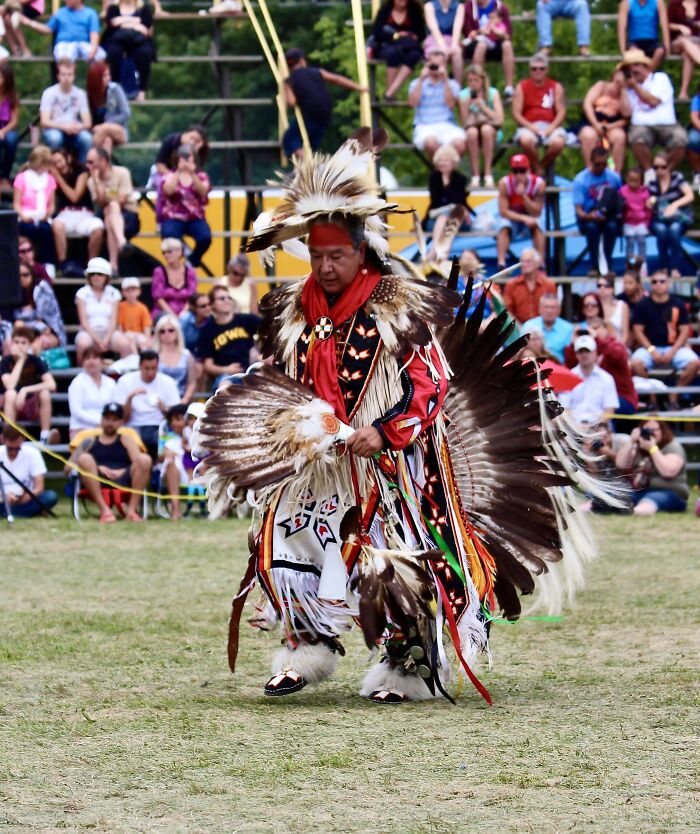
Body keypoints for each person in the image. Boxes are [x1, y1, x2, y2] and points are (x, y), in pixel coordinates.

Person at [198, 136, 602, 703]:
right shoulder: (296, 308)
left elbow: (432, 383)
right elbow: (283, 371)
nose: (324, 266)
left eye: (335, 256)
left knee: (392, 559)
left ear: (360, 252)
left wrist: (383, 430)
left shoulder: (395, 305)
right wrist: (282, 420)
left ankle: (406, 666)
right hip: (318, 457)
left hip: (391, 462)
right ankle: (301, 650)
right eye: (316, 256)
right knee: (282, 540)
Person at [71, 401, 152, 522]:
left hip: (123, 479)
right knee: (84, 458)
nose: (110, 423)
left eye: (114, 420)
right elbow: (68, 468)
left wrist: (119, 472)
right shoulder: (89, 440)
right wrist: (97, 468)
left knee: (145, 459)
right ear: (101, 420)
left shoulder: (126, 439)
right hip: (98, 479)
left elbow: (139, 464)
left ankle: (131, 511)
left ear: (121, 422)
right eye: (107, 418)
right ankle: (105, 511)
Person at [282, 48, 367, 160]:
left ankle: (308, 164)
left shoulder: (290, 80)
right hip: (326, 112)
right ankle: (301, 168)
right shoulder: (316, 71)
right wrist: (359, 88)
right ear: (302, 61)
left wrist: (287, 92)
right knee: (311, 144)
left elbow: (292, 102)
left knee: (289, 140)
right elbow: (336, 79)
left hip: (310, 112)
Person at [631, 272, 699, 401]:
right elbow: (637, 331)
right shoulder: (642, 305)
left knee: (694, 363)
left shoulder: (678, 304)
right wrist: (652, 350)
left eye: (662, 281)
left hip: (673, 348)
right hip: (649, 348)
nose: (658, 284)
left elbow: (684, 331)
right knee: (635, 363)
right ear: (650, 285)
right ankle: (652, 398)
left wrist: (672, 352)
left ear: (668, 283)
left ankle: (674, 396)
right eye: (654, 282)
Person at [619, 48, 688, 175]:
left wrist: (636, 88)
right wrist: (623, 89)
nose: (633, 70)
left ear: (645, 65)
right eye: (629, 68)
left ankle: (665, 172)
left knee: (681, 138)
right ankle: (649, 172)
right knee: (636, 138)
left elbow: (654, 101)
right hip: (641, 126)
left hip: (668, 125)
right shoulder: (628, 88)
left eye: (636, 65)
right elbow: (625, 113)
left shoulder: (660, 78)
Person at [113, 349, 180, 458]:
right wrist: (130, 398)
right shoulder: (125, 381)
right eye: (147, 368)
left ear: (158, 367)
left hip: (159, 425)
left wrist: (164, 410)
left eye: (154, 369)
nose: (150, 373)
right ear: (140, 366)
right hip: (133, 426)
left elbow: (176, 417)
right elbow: (123, 418)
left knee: (165, 436)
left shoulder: (168, 382)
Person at [86, 146, 140, 273]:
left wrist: (108, 199)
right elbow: (100, 203)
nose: (89, 166)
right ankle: (121, 245)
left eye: (91, 162)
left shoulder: (122, 173)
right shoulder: (91, 181)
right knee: (109, 212)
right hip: (107, 215)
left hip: (128, 215)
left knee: (112, 208)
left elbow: (121, 200)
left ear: (103, 161)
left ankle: (114, 264)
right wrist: (97, 182)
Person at [615, 419, 688, 514]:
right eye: (646, 430)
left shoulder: (672, 446)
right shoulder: (639, 447)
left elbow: (668, 472)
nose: (650, 433)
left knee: (652, 499)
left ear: (662, 431)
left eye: (654, 430)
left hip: (670, 492)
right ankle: (594, 508)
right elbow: (621, 464)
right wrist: (631, 441)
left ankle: (636, 511)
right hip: (641, 491)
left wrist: (652, 448)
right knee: (616, 495)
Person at [195, 285, 260, 390]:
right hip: (226, 376)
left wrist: (262, 355)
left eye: (229, 297)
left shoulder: (246, 320)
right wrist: (227, 369)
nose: (227, 300)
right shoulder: (207, 330)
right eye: (222, 298)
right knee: (225, 387)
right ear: (212, 305)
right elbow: (208, 365)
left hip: (251, 370)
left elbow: (270, 329)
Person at [50, 147, 104, 272]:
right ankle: (63, 264)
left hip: (84, 214)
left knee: (98, 228)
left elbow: (75, 196)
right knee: (56, 225)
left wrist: (58, 178)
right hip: (65, 214)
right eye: (54, 163)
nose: (58, 165)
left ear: (67, 159)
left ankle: (92, 265)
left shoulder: (81, 171)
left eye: (59, 161)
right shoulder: (51, 177)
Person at [572, 146, 623, 279]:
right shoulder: (581, 180)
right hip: (588, 216)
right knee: (592, 229)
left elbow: (620, 197)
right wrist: (591, 216)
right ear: (591, 161)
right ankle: (594, 266)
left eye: (603, 164)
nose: (600, 167)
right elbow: (579, 211)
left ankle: (608, 264)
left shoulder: (613, 177)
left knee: (612, 227)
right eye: (597, 164)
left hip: (608, 215)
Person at [0, 326, 57, 443]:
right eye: (16, 342)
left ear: (29, 345)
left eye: (23, 343)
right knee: (10, 394)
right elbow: (10, 385)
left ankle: (45, 436)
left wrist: (26, 389)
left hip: (30, 405)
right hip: (10, 405)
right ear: (11, 343)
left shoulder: (36, 360)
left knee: (45, 393)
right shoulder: (5, 362)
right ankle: (8, 435)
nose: (19, 346)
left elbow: (52, 384)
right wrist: (20, 361)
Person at [511, 54, 567, 175]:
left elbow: (561, 111)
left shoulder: (555, 86)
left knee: (558, 143)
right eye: (534, 68)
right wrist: (531, 127)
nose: (538, 71)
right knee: (526, 141)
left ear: (547, 70)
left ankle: (541, 166)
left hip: (551, 125)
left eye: (541, 68)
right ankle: (537, 167)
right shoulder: (522, 86)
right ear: (530, 70)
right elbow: (516, 113)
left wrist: (551, 128)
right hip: (529, 126)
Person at [407, 50, 466, 160]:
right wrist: (421, 78)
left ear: (444, 65)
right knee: (431, 144)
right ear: (427, 64)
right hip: (424, 125)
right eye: (433, 65)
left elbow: (451, 104)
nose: (436, 68)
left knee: (460, 145)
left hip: (447, 124)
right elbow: (412, 103)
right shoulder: (416, 83)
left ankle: (448, 174)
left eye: (439, 65)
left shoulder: (452, 84)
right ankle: (440, 173)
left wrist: (445, 80)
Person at [159, 144, 211, 267]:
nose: (186, 159)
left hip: (195, 218)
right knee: (169, 235)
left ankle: (193, 259)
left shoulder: (201, 175)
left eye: (189, 156)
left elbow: (203, 191)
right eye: (183, 156)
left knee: (205, 237)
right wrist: (178, 171)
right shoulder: (169, 175)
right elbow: (168, 190)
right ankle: (179, 260)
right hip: (174, 217)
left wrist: (192, 173)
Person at [647, 151, 694, 274]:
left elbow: (690, 195)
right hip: (659, 218)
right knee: (661, 231)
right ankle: (663, 267)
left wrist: (674, 205)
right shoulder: (651, 182)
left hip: (678, 217)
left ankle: (675, 268)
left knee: (674, 230)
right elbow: (646, 202)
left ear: (669, 166)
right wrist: (649, 202)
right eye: (656, 167)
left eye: (663, 167)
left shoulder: (677, 178)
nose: (660, 170)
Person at [495, 153, 545, 268]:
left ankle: (540, 262)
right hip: (513, 218)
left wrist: (524, 196)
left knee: (539, 224)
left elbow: (537, 212)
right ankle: (501, 262)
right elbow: (503, 211)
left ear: (528, 170)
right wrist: (524, 218)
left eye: (522, 171)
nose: (518, 175)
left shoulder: (539, 184)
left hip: (531, 217)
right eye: (515, 171)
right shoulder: (504, 184)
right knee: (503, 225)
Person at [74, 257, 128, 363]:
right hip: (88, 332)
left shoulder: (114, 293)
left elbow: (113, 320)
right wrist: (97, 340)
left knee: (125, 344)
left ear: (106, 277)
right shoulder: (82, 293)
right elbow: (84, 322)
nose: (95, 277)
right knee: (82, 343)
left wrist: (107, 339)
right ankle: (81, 374)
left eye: (99, 274)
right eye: (92, 274)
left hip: (109, 332)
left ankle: (123, 376)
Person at [39, 58, 93, 164]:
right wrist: (64, 126)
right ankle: (54, 169)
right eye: (63, 74)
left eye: (69, 74)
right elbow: (44, 121)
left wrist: (77, 127)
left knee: (87, 139)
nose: (66, 78)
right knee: (55, 138)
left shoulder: (80, 94)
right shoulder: (49, 93)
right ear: (58, 76)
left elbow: (88, 123)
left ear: (74, 76)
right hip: (54, 129)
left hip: (74, 130)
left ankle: (81, 170)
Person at [458, 63, 503, 187]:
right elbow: (465, 123)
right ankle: (475, 175)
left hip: (490, 130)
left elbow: (499, 119)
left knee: (486, 130)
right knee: (472, 133)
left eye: (476, 80)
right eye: (470, 80)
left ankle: (488, 174)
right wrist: (466, 106)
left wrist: (483, 107)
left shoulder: (493, 93)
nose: (473, 83)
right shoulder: (463, 95)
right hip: (471, 130)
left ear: (482, 80)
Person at [370, 0, 426, 100]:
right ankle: (390, 92)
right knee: (392, 54)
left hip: (409, 46)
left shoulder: (414, 11)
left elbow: (421, 34)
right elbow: (377, 32)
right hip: (387, 45)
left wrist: (410, 36)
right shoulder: (385, 10)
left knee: (414, 55)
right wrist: (396, 36)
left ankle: (390, 92)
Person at [578, 69, 631, 173]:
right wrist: (596, 124)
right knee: (588, 135)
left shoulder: (627, 94)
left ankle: (615, 175)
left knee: (619, 137)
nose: (621, 78)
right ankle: (590, 171)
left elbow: (626, 116)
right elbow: (587, 104)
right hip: (593, 120)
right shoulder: (601, 85)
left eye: (625, 76)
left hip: (613, 124)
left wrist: (623, 90)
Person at [559, 335, 619, 425]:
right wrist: (576, 427)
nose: (584, 355)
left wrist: (594, 427)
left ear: (595, 353)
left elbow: (610, 409)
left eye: (587, 351)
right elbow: (564, 409)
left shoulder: (607, 378)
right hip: (574, 428)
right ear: (576, 354)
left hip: (600, 428)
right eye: (580, 352)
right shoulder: (567, 378)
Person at [0, 422, 58, 518]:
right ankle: (22, 513)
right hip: (3, 499)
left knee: (51, 496)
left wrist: (23, 498)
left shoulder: (33, 453)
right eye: (10, 449)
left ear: (23, 440)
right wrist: (4, 497)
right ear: (3, 439)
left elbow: (39, 487)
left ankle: (9, 513)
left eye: (17, 449)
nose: (14, 452)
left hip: (26, 497)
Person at [102, 0, 155, 102]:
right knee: (114, 53)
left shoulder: (144, 8)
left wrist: (122, 21)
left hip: (138, 41)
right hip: (118, 40)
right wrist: (136, 22)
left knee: (145, 53)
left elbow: (146, 26)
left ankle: (141, 91)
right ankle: (115, 88)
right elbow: (111, 22)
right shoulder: (113, 8)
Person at [423, 144, 470, 260]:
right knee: (443, 219)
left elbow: (457, 201)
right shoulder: (434, 178)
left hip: (458, 219)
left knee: (446, 219)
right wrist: (443, 181)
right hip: (435, 220)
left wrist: (446, 183)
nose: (443, 163)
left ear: (453, 162)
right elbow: (436, 201)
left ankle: (432, 255)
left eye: (446, 160)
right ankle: (441, 256)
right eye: (440, 160)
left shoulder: (460, 179)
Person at [12, 145, 57, 265]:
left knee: (45, 230)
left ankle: (48, 264)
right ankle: (26, 262)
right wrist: (24, 216)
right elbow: (16, 204)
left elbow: (51, 206)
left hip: (42, 217)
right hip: (25, 216)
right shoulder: (21, 178)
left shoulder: (50, 179)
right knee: (28, 229)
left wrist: (47, 215)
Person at [462, 0, 515, 99]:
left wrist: (497, 32)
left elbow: (508, 35)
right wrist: (478, 32)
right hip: (477, 43)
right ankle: (477, 88)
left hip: (497, 43)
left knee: (507, 45)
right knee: (481, 45)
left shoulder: (501, 7)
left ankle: (509, 88)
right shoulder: (468, 7)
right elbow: (467, 32)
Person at [21, 0, 105, 62]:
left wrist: (93, 50)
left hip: (84, 44)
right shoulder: (61, 13)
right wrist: (29, 22)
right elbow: (47, 29)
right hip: (65, 44)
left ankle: (97, 84)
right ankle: (66, 83)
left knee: (100, 56)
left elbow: (94, 33)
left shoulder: (90, 13)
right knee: (64, 57)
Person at [13, 262, 67, 351]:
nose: (22, 278)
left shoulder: (42, 288)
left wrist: (25, 318)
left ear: (32, 274)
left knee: (33, 347)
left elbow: (43, 320)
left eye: (25, 275)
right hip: (27, 333)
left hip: (51, 332)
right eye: (18, 276)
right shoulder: (16, 294)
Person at [67, 344, 116, 437]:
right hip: (82, 429)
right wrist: (101, 422)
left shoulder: (111, 383)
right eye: (87, 358)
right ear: (83, 363)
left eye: (95, 358)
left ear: (101, 361)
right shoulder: (77, 382)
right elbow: (76, 412)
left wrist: (108, 424)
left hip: (108, 429)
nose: (91, 361)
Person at [502, 247, 555, 324]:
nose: (524, 264)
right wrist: (518, 328)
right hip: (517, 328)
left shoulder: (548, 284)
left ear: (537, 263)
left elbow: (553, 309)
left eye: (528, 261)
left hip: (543, 327)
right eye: (522, 261)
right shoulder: (511, 284)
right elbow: (507, 311)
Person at [86, 61, 130, 154]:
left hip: (118, 130)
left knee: (104, 129)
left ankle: (89, 160)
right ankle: (103, 167)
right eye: (104, 76)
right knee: (107, 141)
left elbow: (126, 113)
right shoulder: (88, 95)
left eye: (108, 75)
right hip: (96, 132)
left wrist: (105, 124)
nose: (108, 78)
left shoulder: (115, 89)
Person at [150, 237, 198, 319]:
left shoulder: (190, 272)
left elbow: (192, 297)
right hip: (164, 311)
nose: (166, 255)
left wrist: (183, 314)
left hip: (186, 311)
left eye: (169, 252)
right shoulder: (159, 272)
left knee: (191, 319)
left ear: (179, 252)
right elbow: (158, 299)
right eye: (163, 252)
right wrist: (172, 315)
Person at [153, 314, 196, 402]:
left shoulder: (186, 355)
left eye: (171, 330)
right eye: (162, 331)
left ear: (177, 332)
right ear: (157, 334)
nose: (166, 334)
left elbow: (191, 382)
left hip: (181, 399)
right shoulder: (153, 355)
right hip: (158, 400)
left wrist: (185, 400)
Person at [617, 0, 670, 70]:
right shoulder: (626, 3)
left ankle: (647, 75)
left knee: (660, 51)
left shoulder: (658, 2)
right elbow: (621, 28)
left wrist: (667, 47)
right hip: (634, 42)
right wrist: (623, 51)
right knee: (635, 53)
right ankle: (644, 76)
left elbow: (664, 27)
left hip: (653, 41)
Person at [523, 293, 574, 362]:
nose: (549, 310)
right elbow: (522, 350)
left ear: (559, 310)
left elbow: (569, 356)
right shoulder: (529, 325)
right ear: (539, 309)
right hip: (533, 365)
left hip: (558, 367)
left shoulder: (567, 328)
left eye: (552, 307)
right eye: (546, 307)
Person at [619, 166, 652, 273]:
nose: (633, 183)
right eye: (630, 180)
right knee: (630, 244)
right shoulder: (623, 191)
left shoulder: (644, 192)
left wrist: (647, 222)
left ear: (640, 181)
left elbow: (648, 209)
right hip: (628, 222)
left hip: (641, 222)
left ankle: (643, 264)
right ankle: (631, 264)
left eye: (636, 181)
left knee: (642, 242)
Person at [423, 0, 465, 82]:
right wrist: (442, 44)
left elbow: (457, 28)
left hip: (451, 39)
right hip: (434, 39)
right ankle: (438, 85)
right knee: (440, 53)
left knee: (457, 52)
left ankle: (457, 88)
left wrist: (454, 44)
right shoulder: (429, 6)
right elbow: (433, 28)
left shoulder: (459, 7)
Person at [668, 0, 700, 100]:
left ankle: (683, 92)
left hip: (696, 42)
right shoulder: (674, 4)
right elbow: (667, 24)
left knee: (688, 53)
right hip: (677, 41)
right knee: (684, 41)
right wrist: (679, 27)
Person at [117, 276, 151, 354]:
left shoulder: (143, 307)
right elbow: (119, 326)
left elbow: (146, 326)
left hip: (139, 334)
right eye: (128, 290)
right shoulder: (121, 306)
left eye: (133, 290)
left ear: (139, 291)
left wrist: (147, 339)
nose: (131, 293)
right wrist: (121, 337)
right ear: (123, 292)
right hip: (126, 334)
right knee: (130, 338)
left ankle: (145, 357)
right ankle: (134, 358)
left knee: (143, 341)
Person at [0, 62, 19, 189]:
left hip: (6, 128)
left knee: (12, 140)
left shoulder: (13, 97)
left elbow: (14, 121)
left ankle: (5, 176)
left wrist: (3, 131)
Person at [596, 275, 630, 344]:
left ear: (613, 289)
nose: (602, 288)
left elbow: (625, 335)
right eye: (599, 285)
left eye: (606, 286)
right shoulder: (592, 306)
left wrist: (618, 348)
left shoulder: (622, 306)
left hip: (618, 345)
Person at [688, 83, 700, 190]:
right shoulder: (697, 99)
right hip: (698, 129)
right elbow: (694, 117)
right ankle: (697, 173)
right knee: (693, 140)